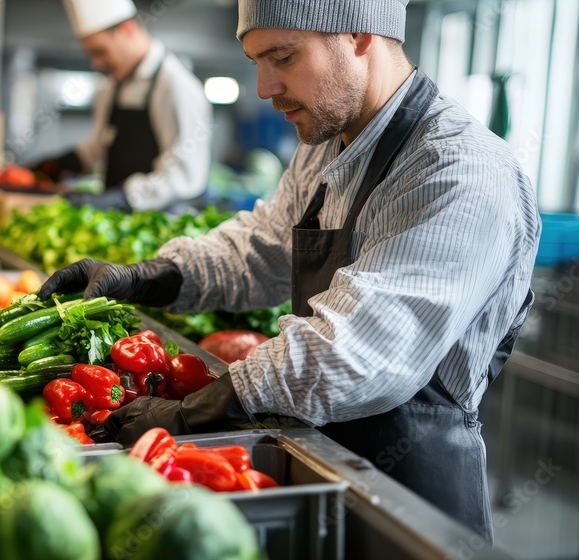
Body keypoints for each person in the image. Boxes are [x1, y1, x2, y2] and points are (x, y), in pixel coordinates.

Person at [39, 0, 541, 541]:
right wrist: (149, 276)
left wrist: (196, 408)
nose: (262, 86)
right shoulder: (328, 145)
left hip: (415, 505)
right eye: (256, 59)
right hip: (322, 457)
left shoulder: (459, 173)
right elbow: (261, 247)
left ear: (359, 33)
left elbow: (355, 351)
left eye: (282, 57)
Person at [31, 0, 212, 212]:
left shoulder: (176, 86)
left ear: (127, 29)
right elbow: (102, 143)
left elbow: (182, 175)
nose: (96, 63)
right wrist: (58, 165)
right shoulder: (110, 87)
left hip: (162, 225)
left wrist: (124, 199)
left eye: (100, 51)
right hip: (117, 224)